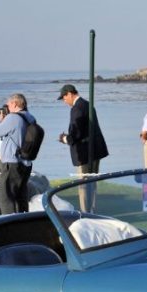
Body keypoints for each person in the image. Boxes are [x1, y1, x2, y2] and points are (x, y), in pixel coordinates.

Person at [57, 84, 109, 212]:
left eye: (64, 98)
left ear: (70, 94)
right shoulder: (88, 104)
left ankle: (86, 213)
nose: (64, 101)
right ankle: (92, 209)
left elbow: (76, 134)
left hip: (84, 153)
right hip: (96, 149)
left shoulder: (77, 108)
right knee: (92, 182)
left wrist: (64, 139)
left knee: (83, 184)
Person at [0, 92, 34, 214]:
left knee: (6, 198)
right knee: (21, 197)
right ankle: (23, 222)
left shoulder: (13, 118)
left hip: (12, 163)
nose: (7, 107)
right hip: (26, 163)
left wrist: (0, 120)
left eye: (8, 104)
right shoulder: (29, 117)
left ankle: (8, 224)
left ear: (14, 104)